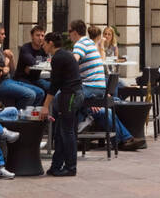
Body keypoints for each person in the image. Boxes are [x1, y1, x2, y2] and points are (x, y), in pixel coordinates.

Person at [68, 20, 144, 150]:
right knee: (102, 110)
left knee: (62, 98)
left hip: (89, 87)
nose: (68, 35)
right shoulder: (90, 42)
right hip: (96, 88)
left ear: (74, 33)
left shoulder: (80, 44)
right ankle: (124, 139)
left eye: (69, 32)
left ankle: (69, 135)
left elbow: (72, 63)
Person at [40, 30, 84, 177]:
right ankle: (56, 165)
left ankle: (71, 167)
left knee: (67, 132)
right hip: (72, 94)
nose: (43, 46)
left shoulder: (58, 58)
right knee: (61, 132)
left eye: (44, 43)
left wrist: (45, 106)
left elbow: (54, 85)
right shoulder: (64, 55)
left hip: (70, 95)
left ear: (50, 43)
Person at [0, 24, 44, 108]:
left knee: (40, 92)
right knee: (30, 95)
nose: (4, 36)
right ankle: (18, 117)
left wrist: (11, 58)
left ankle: (31, 116)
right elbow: (0, 70)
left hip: (9, 80)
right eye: (2, 34)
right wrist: (5, 64)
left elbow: (12, 71)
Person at [14, 26, 49, 91]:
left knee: (53, 88)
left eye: (42, 36)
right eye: (37, 35)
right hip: (22, 79)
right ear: (32, 36)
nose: (40, 38)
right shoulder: (25, 48)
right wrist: (42, 62)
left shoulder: (44, 49)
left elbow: (49, 60)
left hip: (36, 79)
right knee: (39, 92)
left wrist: (33, 65)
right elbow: (31, 61)